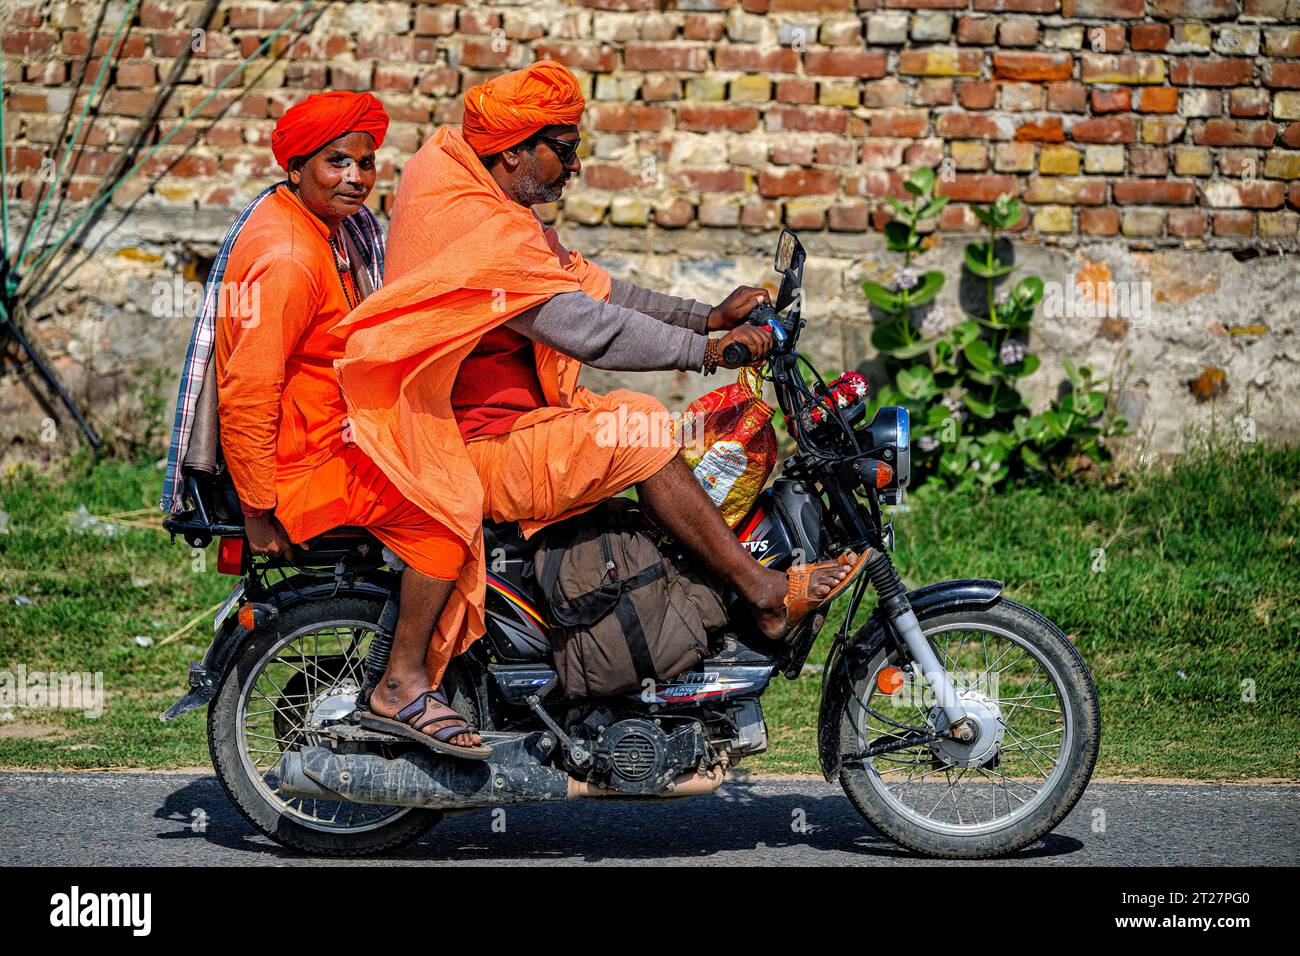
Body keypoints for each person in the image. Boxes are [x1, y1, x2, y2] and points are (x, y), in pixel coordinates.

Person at [337, 63, 867, 644]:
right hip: (472, 450)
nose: (576, 166)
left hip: (511, 427)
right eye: (564, 151)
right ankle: (764, 594)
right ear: (514, 151)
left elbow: (596, 288)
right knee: (640, 427)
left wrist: (706, 316)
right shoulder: (478, 229)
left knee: (635, 425)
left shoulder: (481, 191)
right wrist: (708, 350)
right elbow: (589, 329)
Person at [203, 92, 487, 758]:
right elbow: (249, 391)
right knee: (446, 519)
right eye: (337, 162)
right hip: (304, 469)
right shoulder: (291, 259)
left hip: (335, 442)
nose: (357, 178)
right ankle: (403, 682)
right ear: (297, 164)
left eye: (366, 163)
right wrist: (259, 509)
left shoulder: (309, 226)